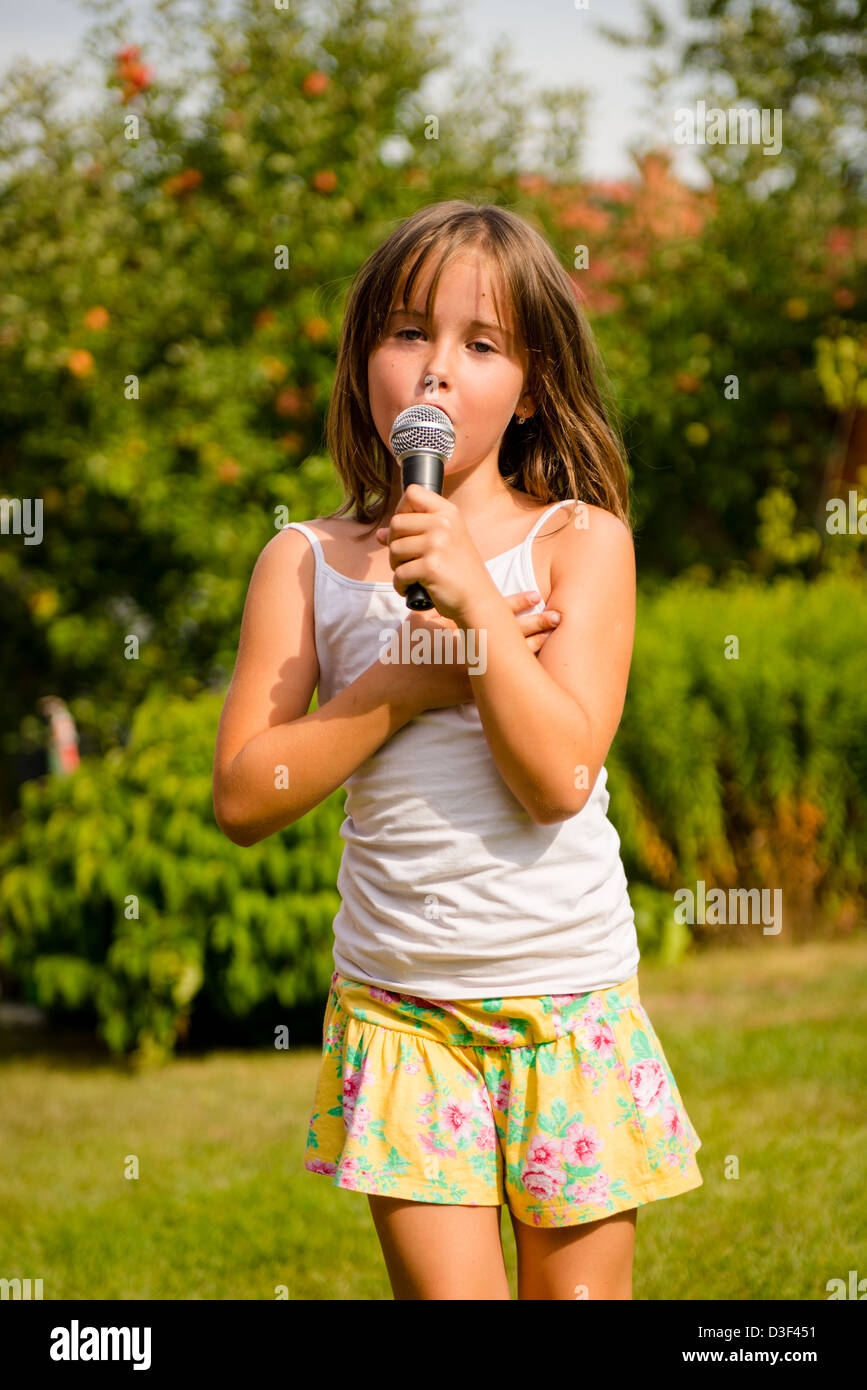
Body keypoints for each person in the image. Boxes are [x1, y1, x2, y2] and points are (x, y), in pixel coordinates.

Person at [212, 200, 702, 1300]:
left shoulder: (580, 542)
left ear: (530, 387)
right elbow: (245, 795)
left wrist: (476, 606)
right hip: (404, 1013)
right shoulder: (305, 561)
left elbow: (558, 780)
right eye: (407, 332)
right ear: (363, 362)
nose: (436, 368)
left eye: (481, 344)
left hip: (566, 1006)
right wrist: (399, 688)